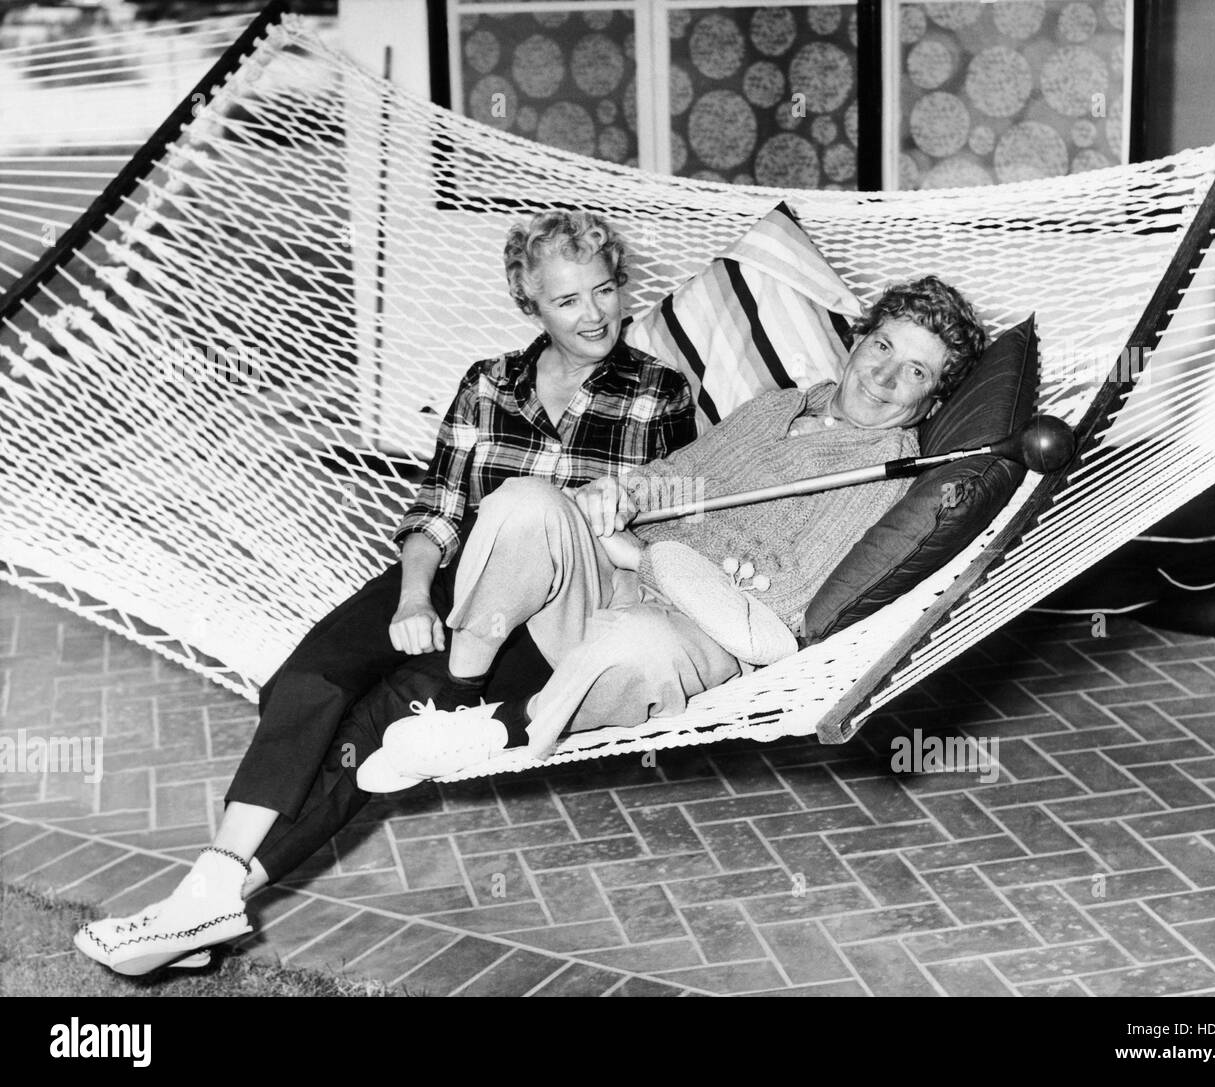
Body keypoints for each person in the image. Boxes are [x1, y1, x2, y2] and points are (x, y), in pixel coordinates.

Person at [74, 210, 697, 976]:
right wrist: (412, 596)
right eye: (568, 300)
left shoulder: (660, 393)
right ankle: (208, 895)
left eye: (605, 290)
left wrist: (623, 500)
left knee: (378, 724)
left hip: (541, 611)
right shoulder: (488, 382)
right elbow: (437, 508)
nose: (595, 313)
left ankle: (200, 906)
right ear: (528, 304)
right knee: (310, 681)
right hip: (445, 570)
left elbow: (669, 518)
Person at [357, 275, 988, 786]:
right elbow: (679, 475)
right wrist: (616, 493)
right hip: (618, 580)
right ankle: (460, 692)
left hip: (693, 633)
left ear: (932, 400)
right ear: (858, 342)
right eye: (883, 348)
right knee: (524, 501)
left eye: (915, 371)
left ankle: (495, 734)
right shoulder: (778, 407)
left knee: (637, 646)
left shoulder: (885, 478)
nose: (884, 377)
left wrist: (641, 558)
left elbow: (776, 616)